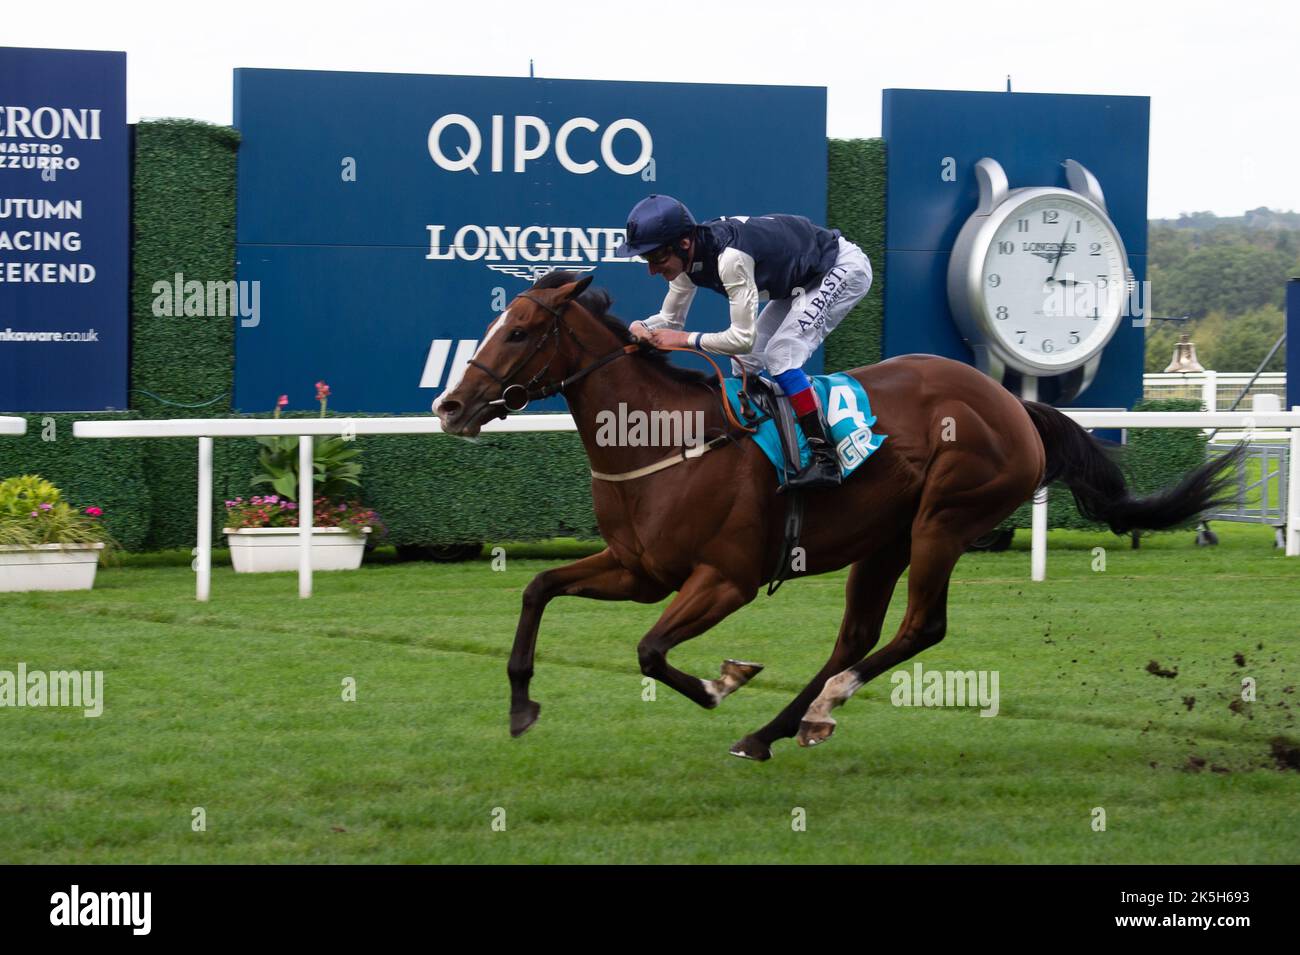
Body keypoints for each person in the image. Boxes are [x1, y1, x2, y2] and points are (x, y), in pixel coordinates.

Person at [614, 194, 873, 491]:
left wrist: (686, 340)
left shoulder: (730, 259)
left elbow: (742, 338)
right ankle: (771, 441)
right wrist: (640, 327)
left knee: (780, 356)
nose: (651, 269)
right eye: (646, 259)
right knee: (747, 363)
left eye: (656, 257)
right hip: (799, 281)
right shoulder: (687, 259)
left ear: (684, 243)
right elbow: (670, 320)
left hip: (839, 267)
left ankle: (825, 459)